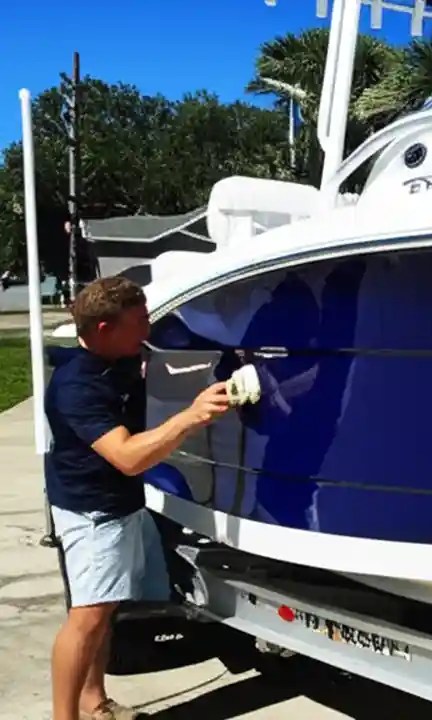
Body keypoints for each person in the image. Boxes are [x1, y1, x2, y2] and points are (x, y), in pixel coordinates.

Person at [44, 276, 230, 720]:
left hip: (119, 504)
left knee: (103, 612)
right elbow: (127, 457)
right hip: (93, 513)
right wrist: (192, 416)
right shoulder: (77, 387)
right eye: (140, 322)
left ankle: (94, 701)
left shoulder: (121, 356)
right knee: (87, 619)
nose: (149, 329)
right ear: (104, 329)